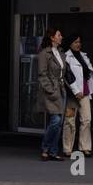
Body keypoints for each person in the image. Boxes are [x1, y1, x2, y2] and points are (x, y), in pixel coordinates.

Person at [62, 33, 93, 157]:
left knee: (86, 120)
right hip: (72, 96)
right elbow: (67, 77)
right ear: (70, 44)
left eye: (79, 42)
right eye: (75, 42)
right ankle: (67, 148)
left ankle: (85, 147)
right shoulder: (66, 57)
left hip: (84, 93)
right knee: (69, 121)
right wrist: (75, 91)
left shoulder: (84, 56)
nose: (78, 44)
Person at [36, 27, 66, 161]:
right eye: (59, 35)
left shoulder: (60, 52)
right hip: (51, 90)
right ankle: (45, 148)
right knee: (56, 120)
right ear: (52, 37)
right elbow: (42, 74)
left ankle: (53, 151)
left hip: (61, 89)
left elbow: (63, 72)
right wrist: (50, 89)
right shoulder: (44, 53)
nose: (61, 37)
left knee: (59, 122)